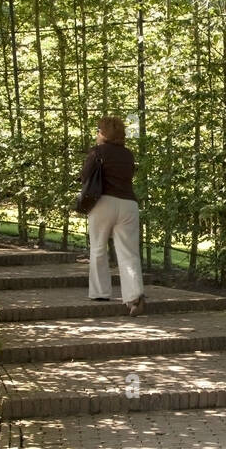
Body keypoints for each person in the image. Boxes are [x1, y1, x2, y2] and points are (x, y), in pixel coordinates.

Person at [81, 116, 146, 315]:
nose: (96, 134)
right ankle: (134, 296)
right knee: (129, 252)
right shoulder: (128, 154)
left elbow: (85, 175)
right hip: (128, 204)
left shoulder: (97, 152)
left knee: (99, 248)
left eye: (98, 131)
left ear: (103, 134)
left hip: (103, 203)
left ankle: (100, 292)